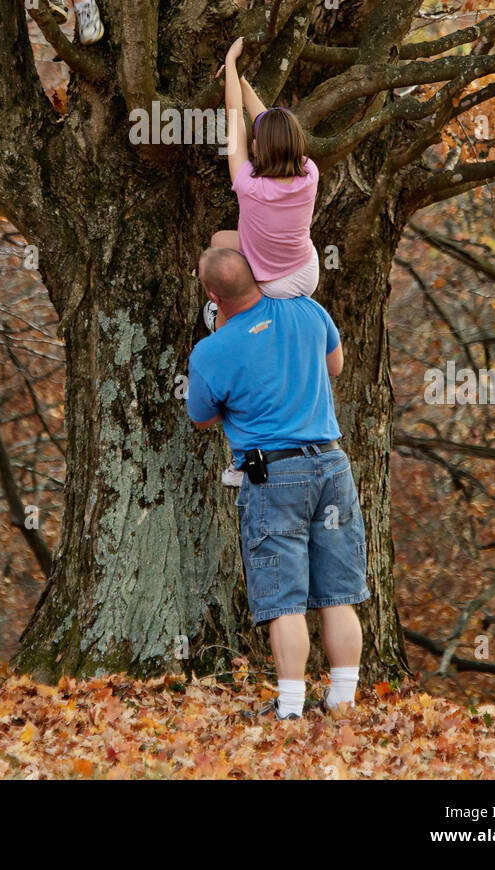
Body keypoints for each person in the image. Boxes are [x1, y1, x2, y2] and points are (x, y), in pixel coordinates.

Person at [187, 247, 369, 721]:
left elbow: (202, 418)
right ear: (257, 274)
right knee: (339, 593)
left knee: (284, 597)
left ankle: (290, 709)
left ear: (212, 296)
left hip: (275, 476)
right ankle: (343, 702)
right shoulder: (307, 310)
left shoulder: (211, 351)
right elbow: (336, 366)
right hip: (332, 465)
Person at [203, 37, 319, 331]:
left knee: (218, 255)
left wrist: (230, 62)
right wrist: (237, 76)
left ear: (257, 148)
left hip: (273, 284)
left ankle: (225, 321)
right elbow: (266, 122)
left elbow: (234, 117)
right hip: (307, 272)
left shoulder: (248, 184)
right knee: (220, 240)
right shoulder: (309, 172)